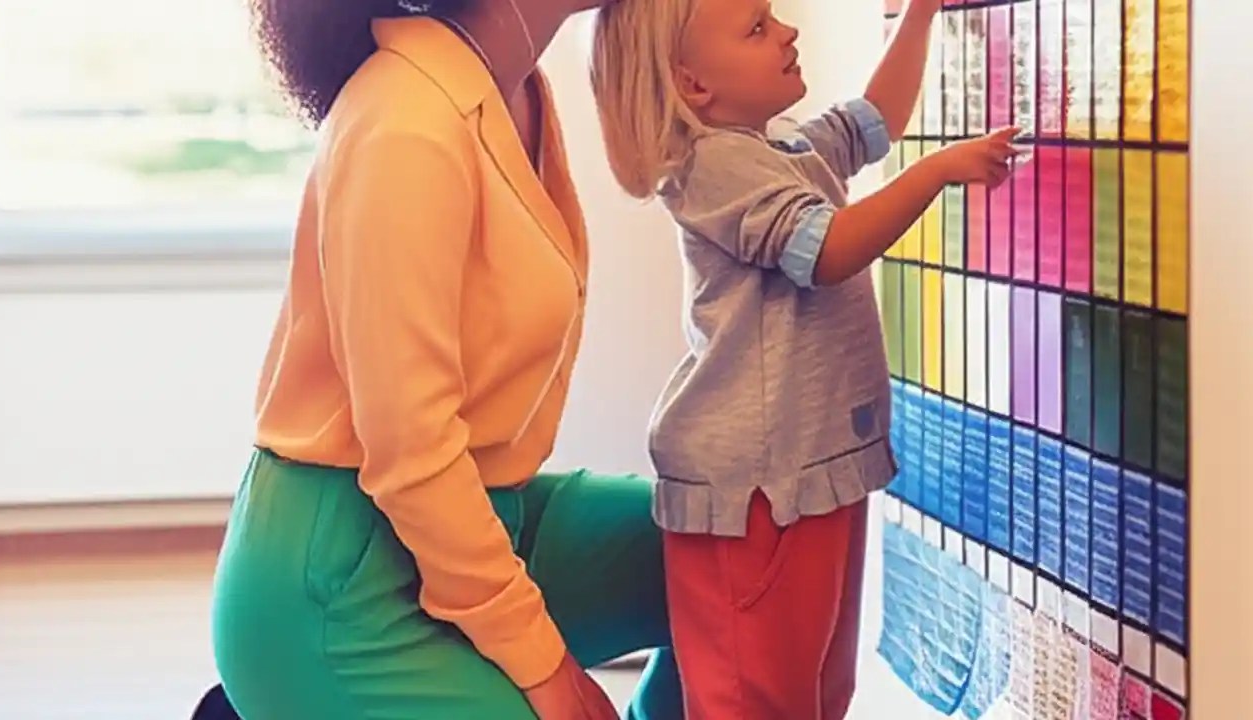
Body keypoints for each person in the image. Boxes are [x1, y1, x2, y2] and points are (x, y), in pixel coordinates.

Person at [208, 1, 684, 718]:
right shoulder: (405, 119)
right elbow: (410, 453)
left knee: (725, 556)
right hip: (335, 590)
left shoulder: (512, 90)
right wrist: (545, 667)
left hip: (481, 516)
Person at [590, 0, 1020, 717]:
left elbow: (875, 117)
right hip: (758, 490)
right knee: (756, 699)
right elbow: (824, 250)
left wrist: (919, 15)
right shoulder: (714, 165)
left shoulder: (778, 149)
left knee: (816, 691)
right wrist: (937, 172)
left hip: (810, 470)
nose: (785, 31)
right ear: (694, 84)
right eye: (757, 27)